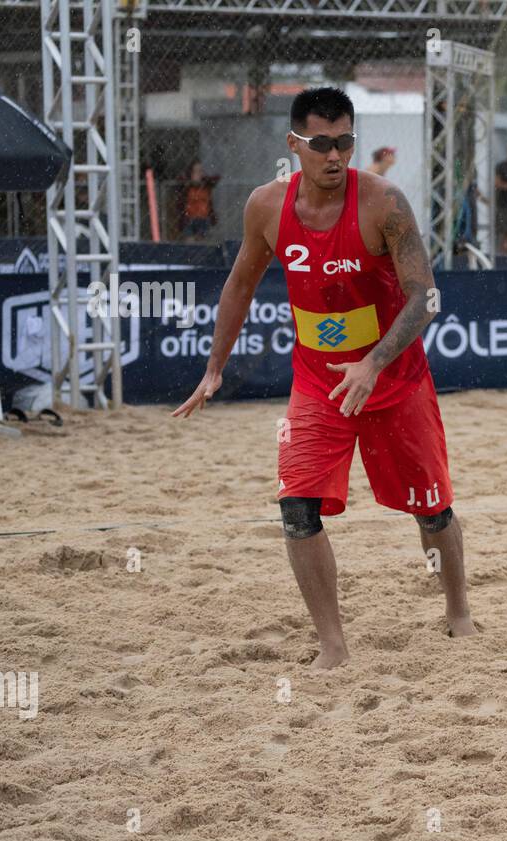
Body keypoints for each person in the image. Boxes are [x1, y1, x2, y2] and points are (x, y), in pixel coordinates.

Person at [172, 87, 477, 668]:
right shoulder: (266, 206)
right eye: (321, 144)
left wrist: (372, 363)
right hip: (317, 384)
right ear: (294, 145)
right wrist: (215, 369)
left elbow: (426, 297)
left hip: (395, 378)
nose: (334, 156)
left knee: (431, 507)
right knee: (297, 508)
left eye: (344, 143)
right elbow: (239, 285)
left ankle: (458, 611)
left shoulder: (384, 202)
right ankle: (333, 646)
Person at [179, 160, 219, 240]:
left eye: (200, 171)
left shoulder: (205, 185)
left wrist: (204, 178)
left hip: (203, 218)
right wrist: (189, 181)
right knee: (190, 242)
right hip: (189, 218)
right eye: (196, 171)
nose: (199, 174)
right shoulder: (187, 187)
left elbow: (217, 178)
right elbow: (179, 181)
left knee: (201, 242)